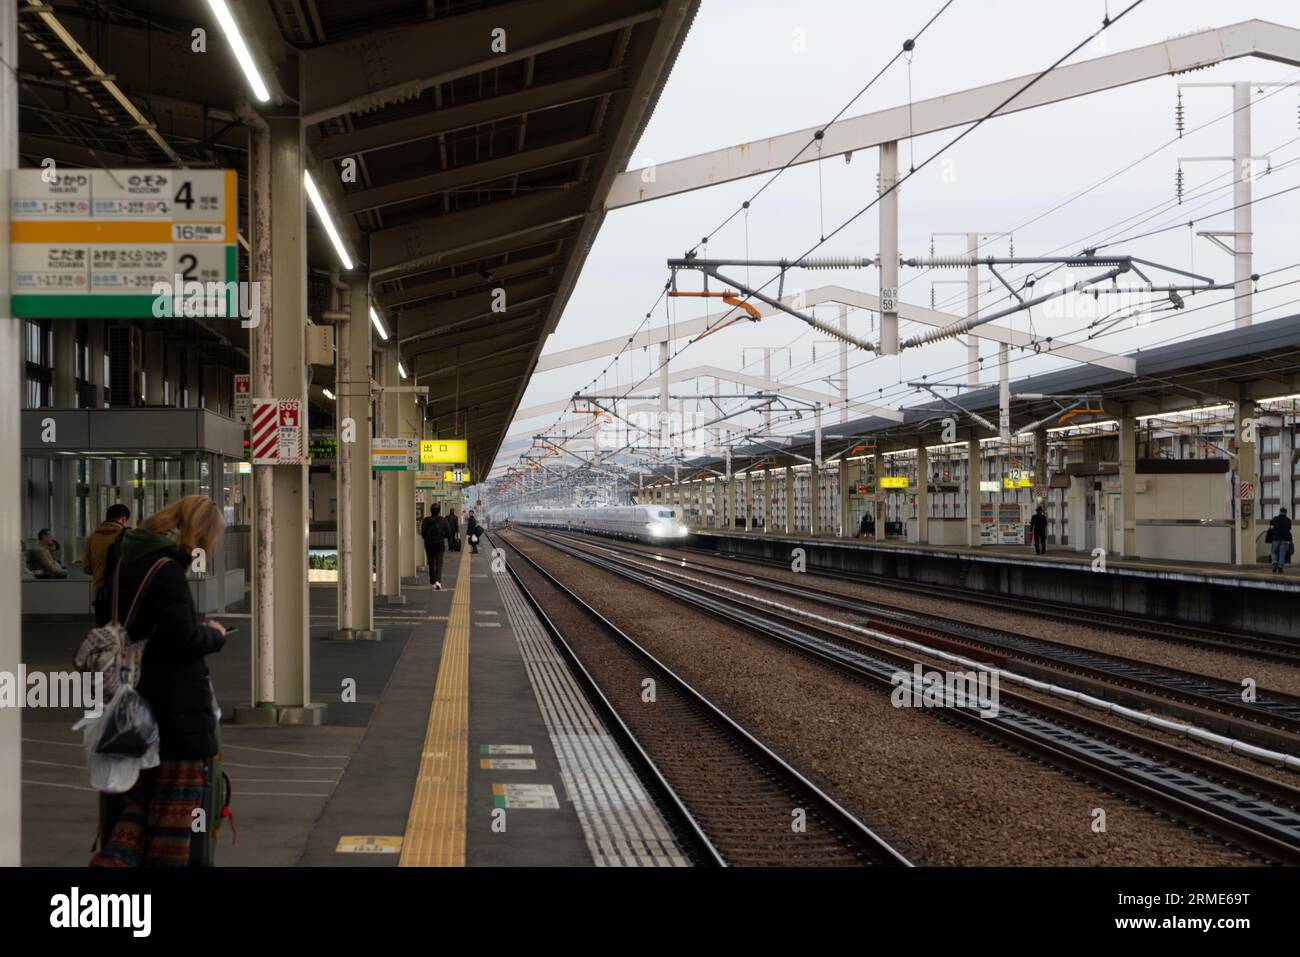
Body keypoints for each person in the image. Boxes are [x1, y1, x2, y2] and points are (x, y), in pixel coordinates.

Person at [91, 495, 228, 867]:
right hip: (174, 710)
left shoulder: (124, 558)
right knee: (171, 821)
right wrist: (214, 634)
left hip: (133, 704)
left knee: (136, 809)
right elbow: (180, 639)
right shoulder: (167, 568)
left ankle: (112, 870)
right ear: (195, 531)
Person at [83, 504, 131, 626]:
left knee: (104, 632)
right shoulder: (128, 536)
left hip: (100, 593)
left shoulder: (92, 538)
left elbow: (86, 568)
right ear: (123, 518)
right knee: (123, 632)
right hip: (122, 593)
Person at [420, 504, 451, 590]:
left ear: (430, 510)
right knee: (439, 563)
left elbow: (423, 532)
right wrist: (443, 537)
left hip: (428, 544)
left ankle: (432, 581)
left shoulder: (426, 520)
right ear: (439, 511)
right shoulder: (443, 520)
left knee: (431, 563)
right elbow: (448, 532)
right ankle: (438, 581)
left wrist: (427, 538)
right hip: (440, 544)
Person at [1267, 507, 1293, 574]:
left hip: (1275, 538)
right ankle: (1280, 567)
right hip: (1284, 539)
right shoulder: (1288, 520)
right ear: (1285, 513)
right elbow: (1289, 529)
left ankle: (1275, 563)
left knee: (1274, 552)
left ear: (1280, 512)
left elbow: (1270, 524)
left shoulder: (1275, 518)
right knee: (1282, 554)